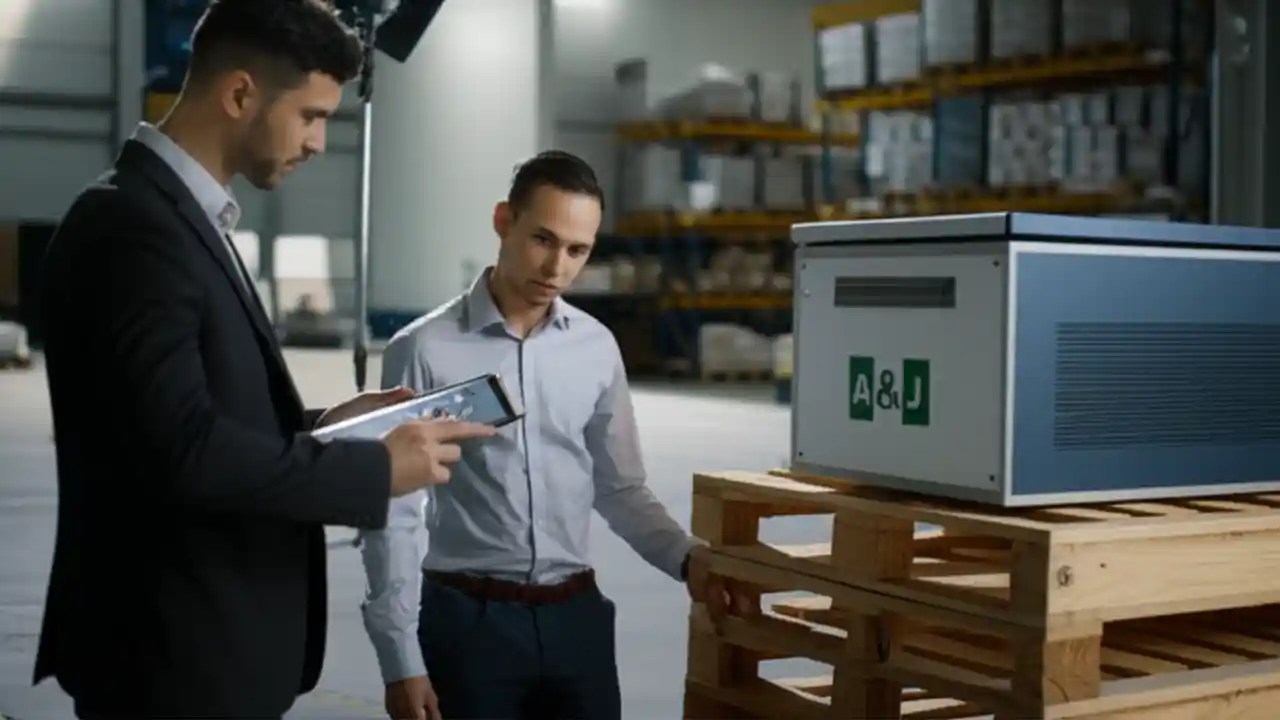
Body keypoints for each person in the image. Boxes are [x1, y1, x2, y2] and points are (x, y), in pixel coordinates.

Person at [33, 1, 494, 718]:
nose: (317, 142)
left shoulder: (183, 219)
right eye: (311, 115)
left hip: (204, 649)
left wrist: (324, 424)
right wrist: (375, 470)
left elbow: (186, 414)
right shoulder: (132, 228)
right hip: (169, 660)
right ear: (241, 93)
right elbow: (180, 451)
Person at [359, 151, 753, 720]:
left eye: (578, 251)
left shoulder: (595, 348)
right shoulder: (424, 350)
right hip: (469, 626)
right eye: (543, 240)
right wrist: (400, 659)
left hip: (578, 622)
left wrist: (689, 560)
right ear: (503, 221)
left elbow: (620, 489)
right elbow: (394, 517)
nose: (557, 268)